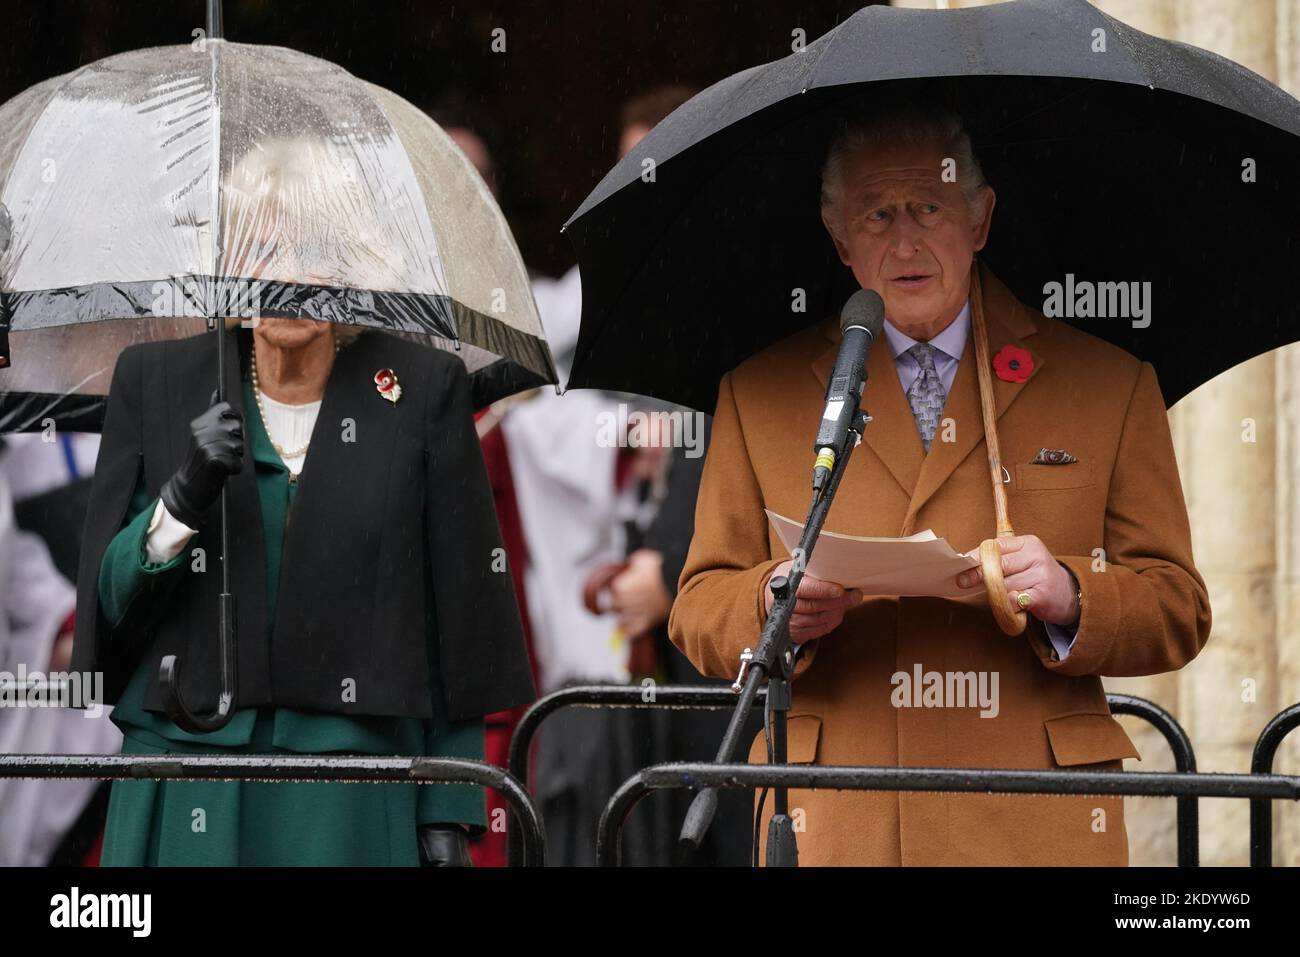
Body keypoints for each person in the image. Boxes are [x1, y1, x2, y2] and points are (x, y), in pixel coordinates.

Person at [668, 103, 1212, 866]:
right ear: (838, 237)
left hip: (1035, 823)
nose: (905, 240)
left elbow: (1178, 605)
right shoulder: (759, 392)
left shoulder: (1108, 382)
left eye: (929, 207)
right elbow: (697, 606)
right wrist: (771, 603)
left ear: (981, 217)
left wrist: (1071, 595)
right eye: (877, 214)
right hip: (841, 823)